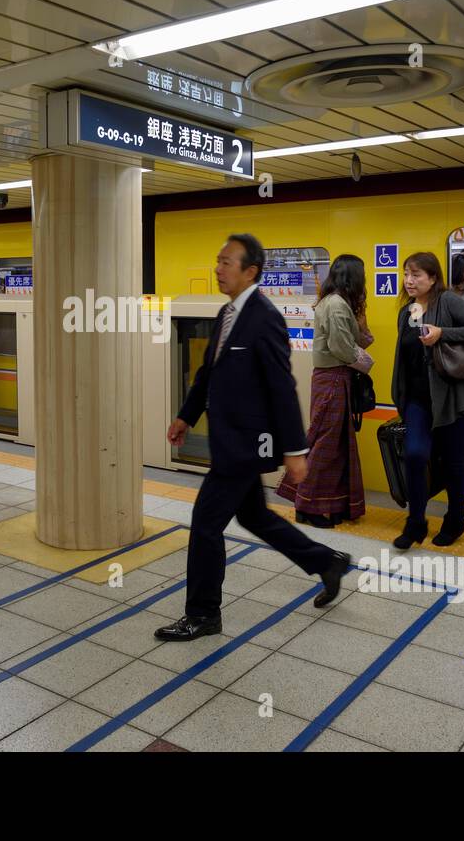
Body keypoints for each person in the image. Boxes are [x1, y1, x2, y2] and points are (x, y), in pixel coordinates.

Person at [158, 234, 352, 641]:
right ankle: (326, 561)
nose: (218, 268)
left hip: (245, 445)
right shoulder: (227, 313)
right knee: (254, 516)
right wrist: (185, 416)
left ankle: (204, 613)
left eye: (227, 262)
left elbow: (282, 386)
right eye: (218, 260)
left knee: (205, 525)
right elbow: (208, 373)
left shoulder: (264, 317)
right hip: (229, 439)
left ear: (251, 271)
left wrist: (296, 450)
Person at [390, 252, 464, 548]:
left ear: (433, 278)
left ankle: (455, 519)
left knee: (453, 463)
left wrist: (442, 333)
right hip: (419, 400)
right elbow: (406, 358)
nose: (409, 280)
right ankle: (416, 522)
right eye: (407, 274)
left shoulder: (448, 301)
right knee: (416, 456)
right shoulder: (406, 311)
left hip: (454, 398)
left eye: (416, 275)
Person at [276, 254, 369, 527]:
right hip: (334, 379)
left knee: (333, 444)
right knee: (327, 444)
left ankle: (332, 503)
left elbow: (354, 341)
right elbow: (343, 348)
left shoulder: (334, 302)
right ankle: (307, 505)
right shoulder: (338, 305)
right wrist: (366, 362)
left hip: (330, 378)